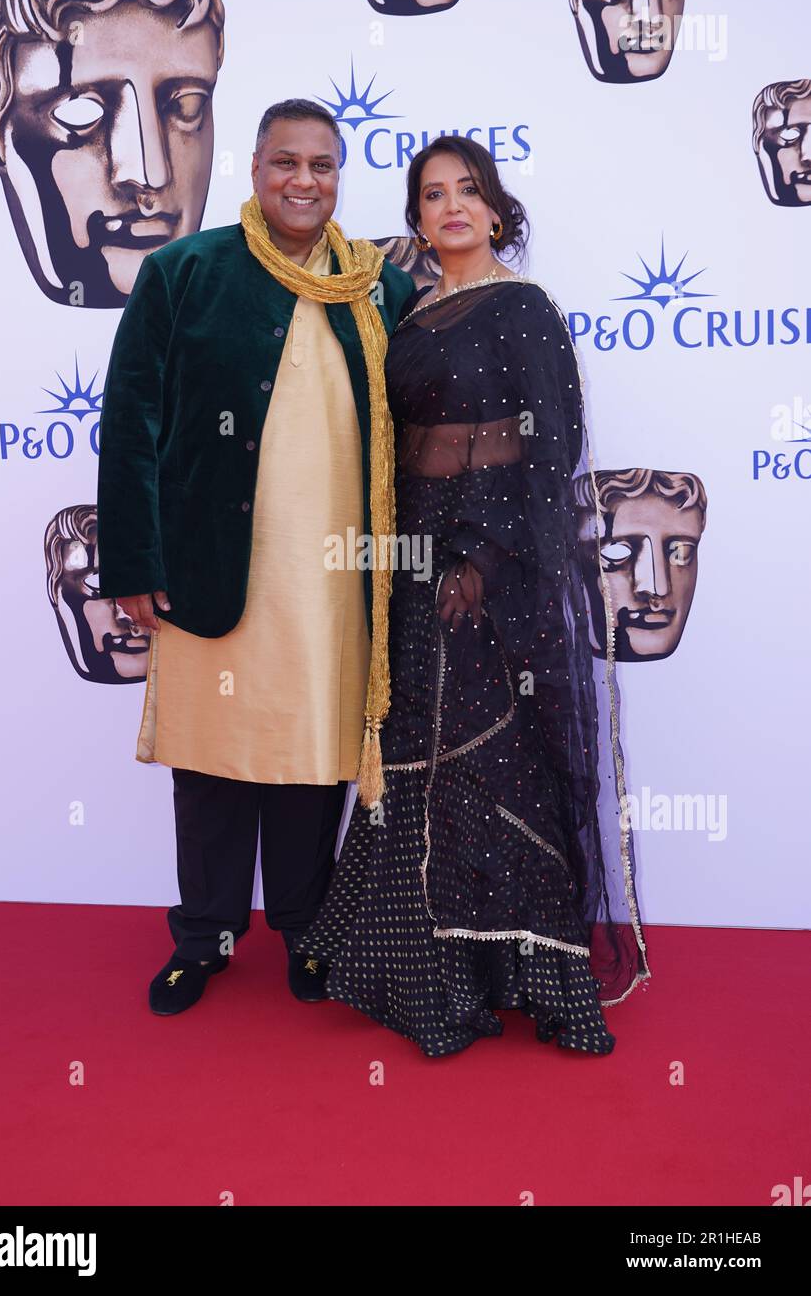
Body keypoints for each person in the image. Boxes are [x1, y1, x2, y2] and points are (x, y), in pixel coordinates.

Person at [296, 136, 651, 1056]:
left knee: (497, 759)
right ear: (416, 220)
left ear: (495, 210)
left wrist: (486, 561)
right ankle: (436, 980)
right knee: (414, 749)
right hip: (411, 547)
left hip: (491, 559)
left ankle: (539, 975)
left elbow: (548, 446)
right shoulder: (408, 319)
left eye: (467, 191)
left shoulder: (524, 308)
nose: (450, 206)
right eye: (431, 195)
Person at [96, 99, 415, 1015]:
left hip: (333, 582)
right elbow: (132, 423)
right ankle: (204, 937)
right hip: (208, 564)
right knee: (212, 760)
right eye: (286, 163)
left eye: (322, 165)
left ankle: (309, 937)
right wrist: (132, 561)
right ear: (253, 168)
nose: (304, 182)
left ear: (339, 175)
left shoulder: (376, 287)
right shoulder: (185, 271)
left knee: (314, 761)